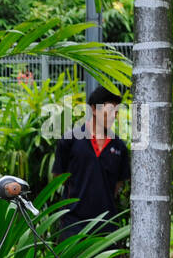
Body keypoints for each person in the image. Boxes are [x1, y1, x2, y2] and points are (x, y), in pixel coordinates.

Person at [52, 84, 130, 242]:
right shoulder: (70, 140)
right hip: (73, 223)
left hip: (106, 225)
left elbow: (118, 184)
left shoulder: (119, 147)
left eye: (116, 111)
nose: (114, 116)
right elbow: (58, 177)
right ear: (94, 109)